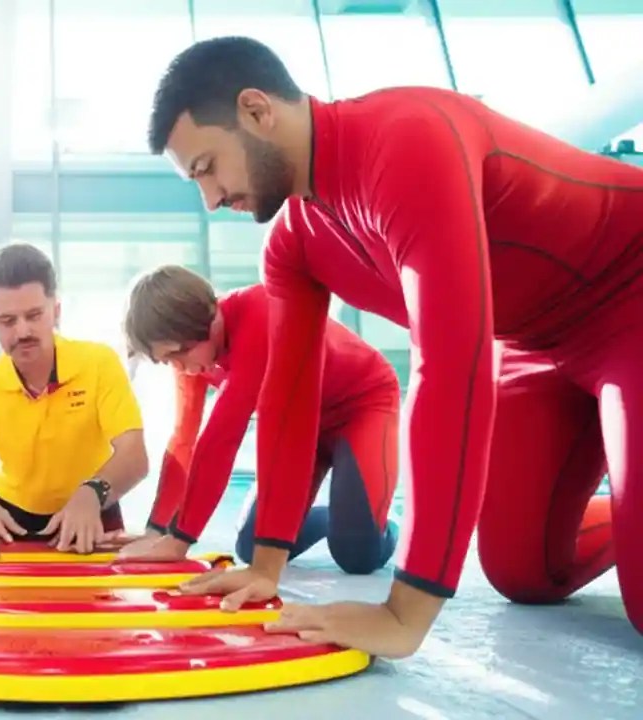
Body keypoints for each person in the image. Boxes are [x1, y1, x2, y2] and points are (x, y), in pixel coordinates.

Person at [148, 36, 643, 658]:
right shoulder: (291, 246)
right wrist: (265, 568)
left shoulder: (405, 138)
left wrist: (404, 610)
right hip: (533, 344)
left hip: (632, 288)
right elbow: (289, 401)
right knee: (525, 570)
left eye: (206, 168)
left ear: (255, 111)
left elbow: (450, 368)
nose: (211, 199)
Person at [115, 266, 400, 575]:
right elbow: (185, 440)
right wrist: (157, 531)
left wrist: (180, 540)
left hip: (360, 406)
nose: (179, 368)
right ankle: (337, 517)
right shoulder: (192, 358)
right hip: (299, 426)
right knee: (252, 547)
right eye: (166, 361)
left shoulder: (260, 313)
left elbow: (222, 438)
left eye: (176, 355)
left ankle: (376, 521)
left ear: (207, 322)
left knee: (357, 556)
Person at [0, 241, 149, 559]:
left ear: (56, 311)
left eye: (34, 315)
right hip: (9, 521)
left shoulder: (99, 363)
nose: (23, 331)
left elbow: (134, 457)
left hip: (95, 507)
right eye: (8, 321)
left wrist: (94, 490)